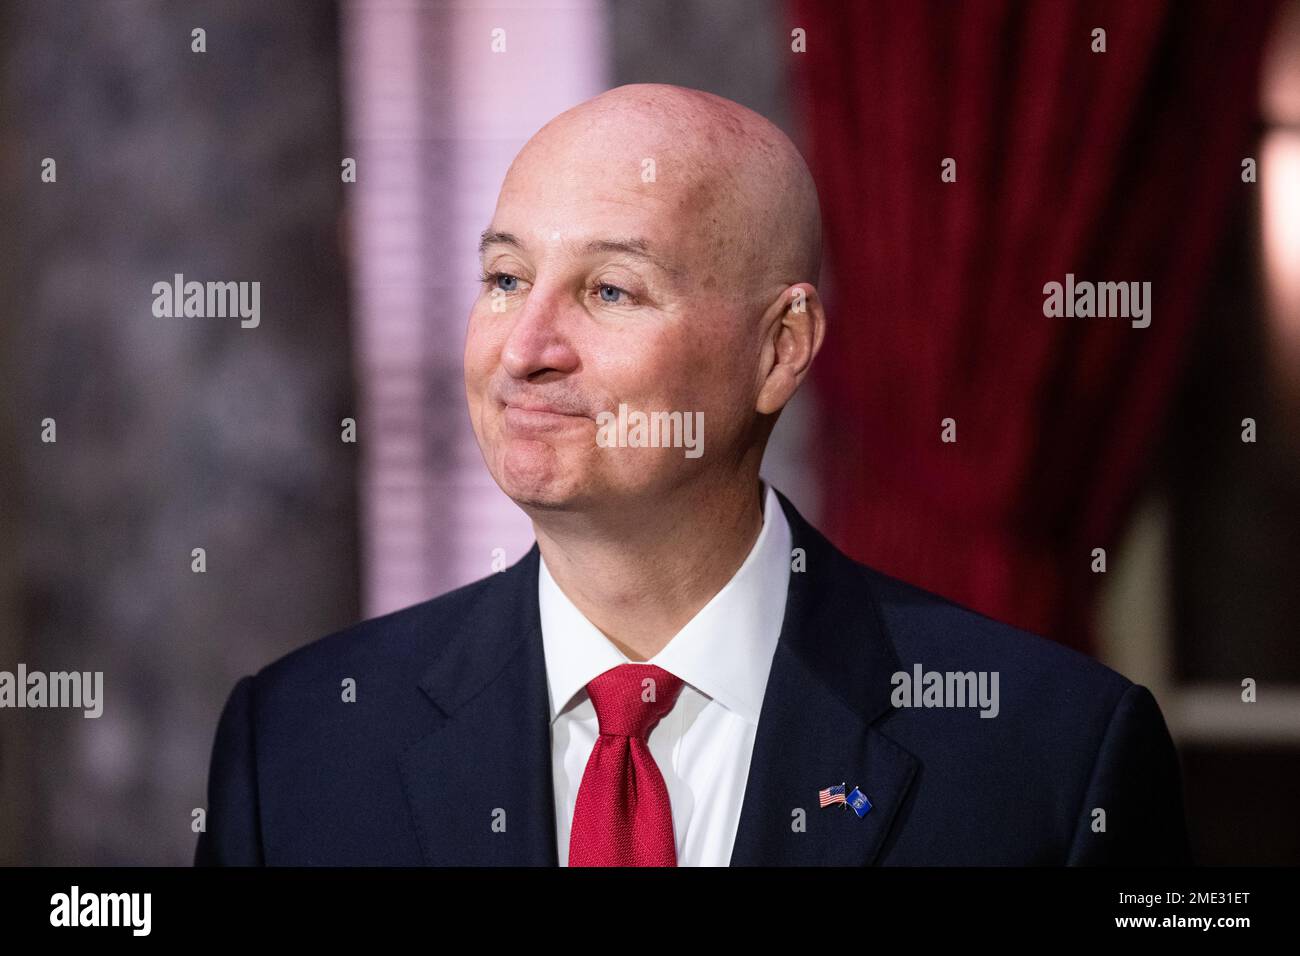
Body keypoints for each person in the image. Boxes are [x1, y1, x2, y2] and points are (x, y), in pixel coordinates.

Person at [195, 83, 1190, 866]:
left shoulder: (1053, 755)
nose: (524, 349)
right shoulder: (295, 744)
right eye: (504, 278)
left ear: (780, 348)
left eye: (609, 290)